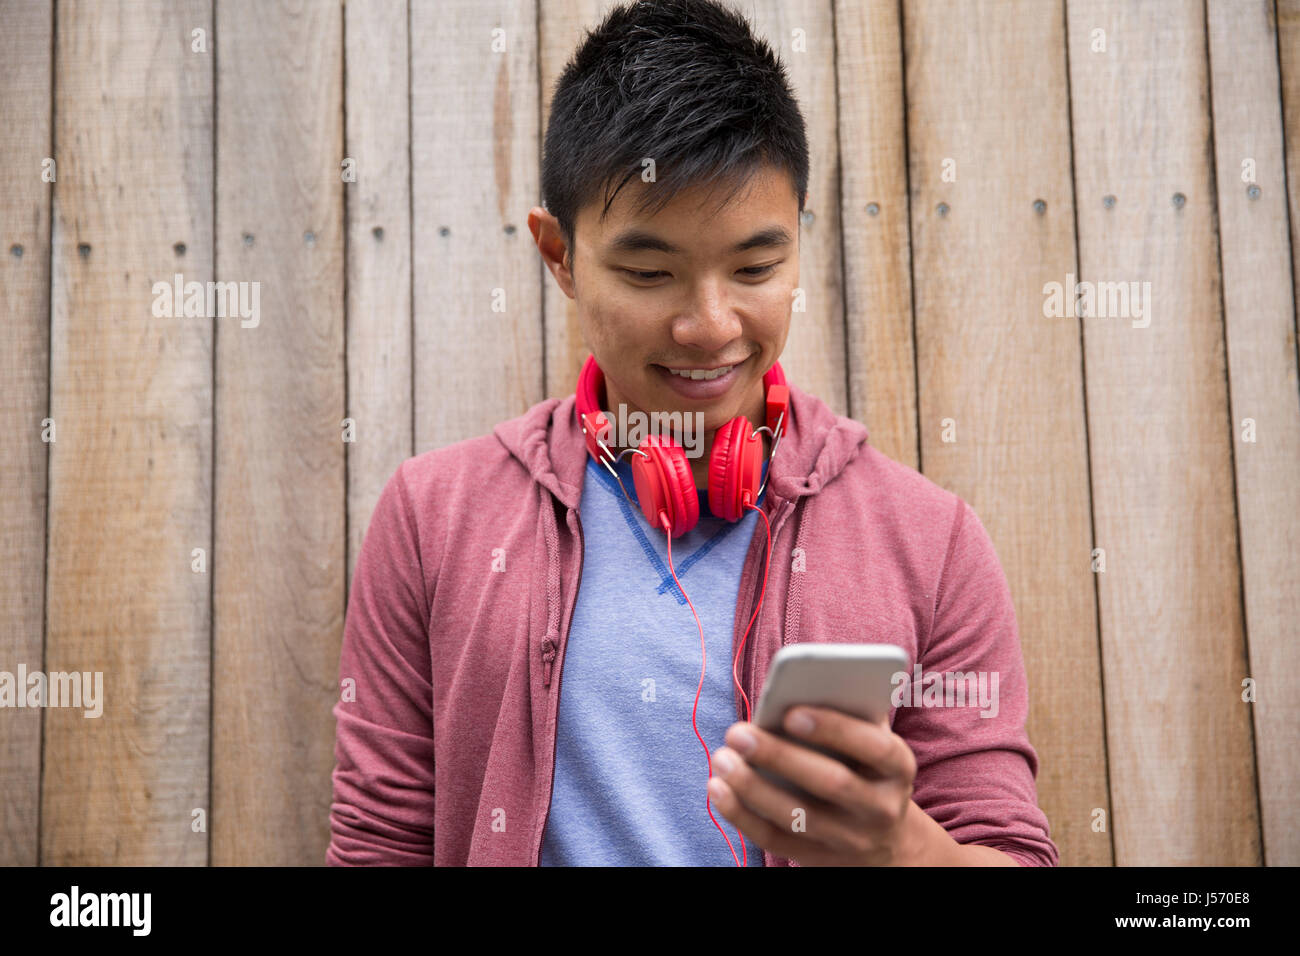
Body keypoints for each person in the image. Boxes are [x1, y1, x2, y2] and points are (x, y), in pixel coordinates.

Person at [327, 0, 1058, 867]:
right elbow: (379, 850)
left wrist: (901, 846)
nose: (711, 327)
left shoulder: (931, 543)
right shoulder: (433, 518)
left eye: (756, 267)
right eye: (649, 272)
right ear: (559, 254)